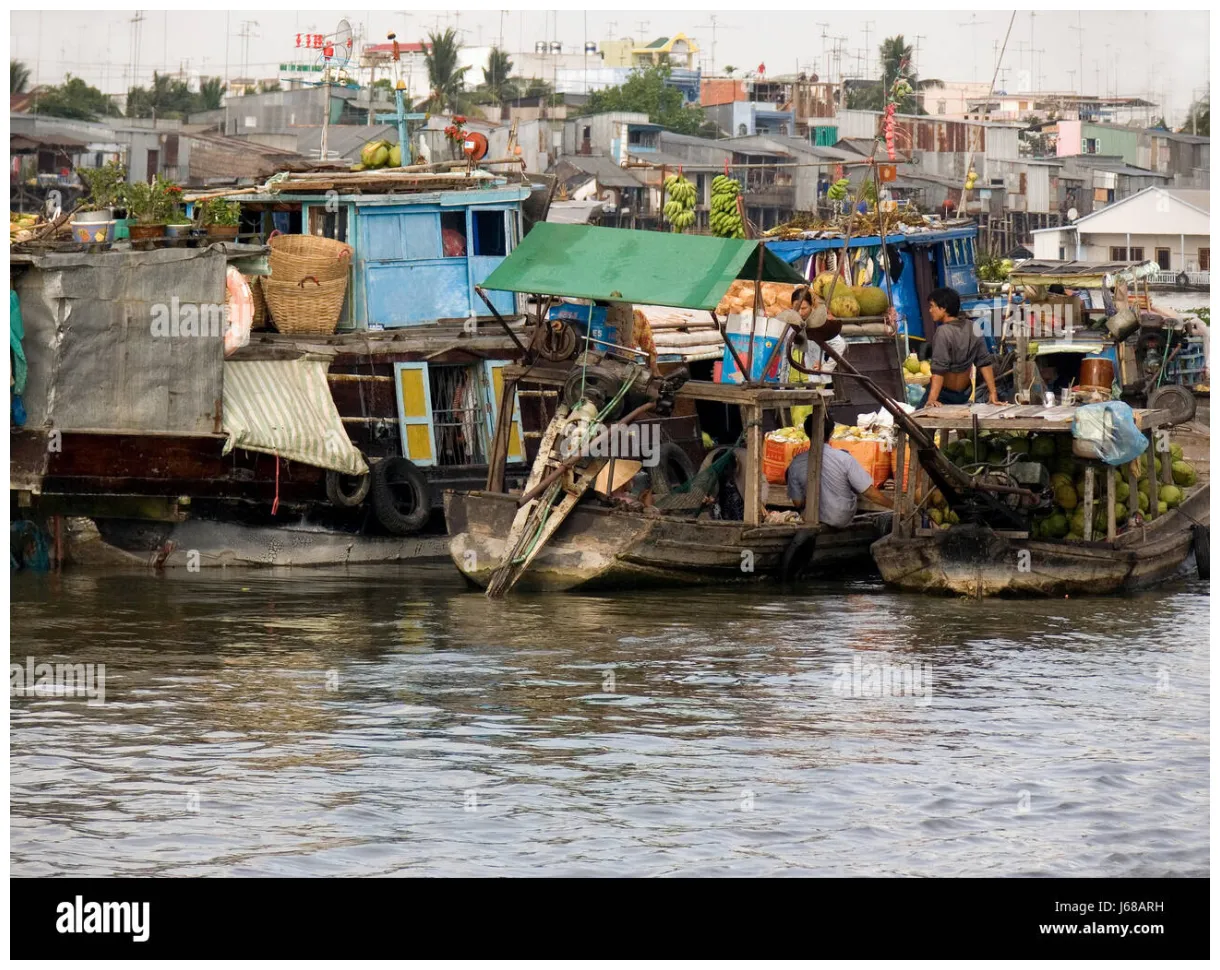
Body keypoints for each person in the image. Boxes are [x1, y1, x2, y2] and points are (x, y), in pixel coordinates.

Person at [786, 412, 892, 527]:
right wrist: (896, 506)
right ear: (832, 432)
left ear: (806, 433)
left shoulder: (795, 463)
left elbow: (797, 502)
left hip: (811, 518)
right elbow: (869, 492)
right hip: (840, 518)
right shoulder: (844, 458)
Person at [920, 286, 1001, 408]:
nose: (930, 310)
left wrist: (931, 400)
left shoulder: (943, 332)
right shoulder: (973, 327)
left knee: (914, 424)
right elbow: (984, 362)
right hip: (964, 394)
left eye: (932, 306)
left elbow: (939, 370)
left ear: (943, 308)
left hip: (943, 395)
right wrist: (993, 393)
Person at [776, 285, 846, 386]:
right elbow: (785, 356)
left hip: (814, 379)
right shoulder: (791, 323)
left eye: (804, 308)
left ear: (811, 306)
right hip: (792, 380)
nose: (800, 312)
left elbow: (840, 344)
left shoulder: (819, 324)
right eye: (796, 308)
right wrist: (782, 382)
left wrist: (825, 367)